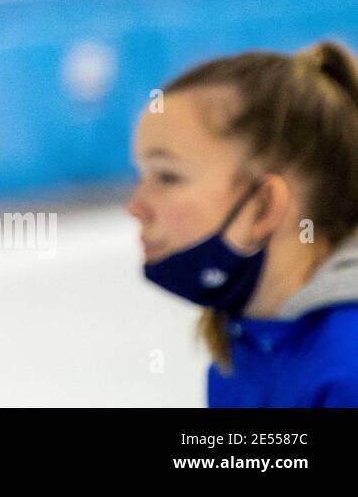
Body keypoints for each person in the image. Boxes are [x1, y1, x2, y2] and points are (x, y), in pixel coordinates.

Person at [128, 40, 358, 407]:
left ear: (264, 205)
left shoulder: (348, 365)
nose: (135, 207)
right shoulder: (240, 352)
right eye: (142, 176)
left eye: (167, 177)